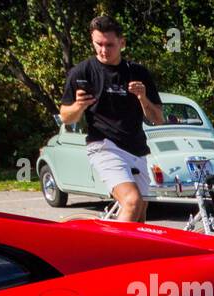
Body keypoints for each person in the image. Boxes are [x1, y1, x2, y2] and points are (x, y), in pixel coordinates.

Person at [59, 15, 163, 222]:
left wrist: (143, 98)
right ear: (92, 41)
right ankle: (114, 253)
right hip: (103, 146)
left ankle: (126, 249)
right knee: (131, 201)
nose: (103, 50)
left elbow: (157, 118)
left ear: (122, 43)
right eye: (98, 44)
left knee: (140, 215)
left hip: (136, 148)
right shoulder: (82, 72)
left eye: (109, 45)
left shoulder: (138, 72)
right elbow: (65, 117)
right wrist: (79, 105)